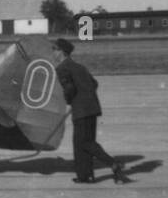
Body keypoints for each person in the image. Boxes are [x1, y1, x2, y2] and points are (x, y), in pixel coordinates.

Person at [53, 38, 131, 185]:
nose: (53, 52)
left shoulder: (62, 68)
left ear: (61, 52)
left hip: (81, 110)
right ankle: (85, 176)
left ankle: (114, 164)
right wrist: (85, 96)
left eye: (54, 49)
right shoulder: (79, 66)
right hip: (92, 108)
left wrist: (70, 101)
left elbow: (69, 89)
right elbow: (94, 83)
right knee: (81, 143)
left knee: (85, 143)